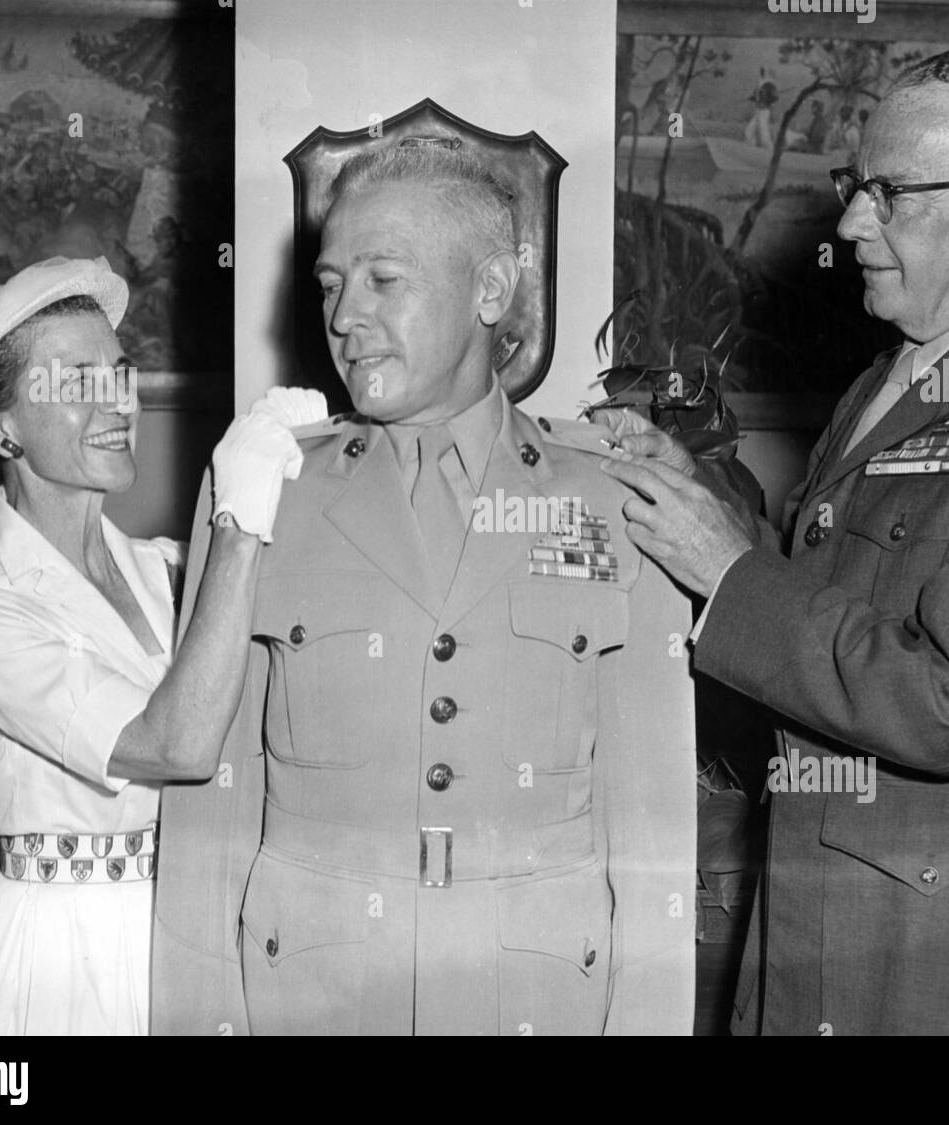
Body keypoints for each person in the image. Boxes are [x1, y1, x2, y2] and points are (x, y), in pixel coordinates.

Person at [601, 47, 949, 1035]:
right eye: (853, 186)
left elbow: (944, 700)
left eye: (890, 192)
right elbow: (829, 608)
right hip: (816, 921)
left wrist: (725, 572)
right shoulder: (892, 378)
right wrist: (686, 494)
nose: (851, 221)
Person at [151, 144, 698, 1035]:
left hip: (540, 1000)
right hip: (311, 1003)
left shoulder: (610, 495)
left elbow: (653, 832)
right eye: (331, 285)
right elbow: (208, 811)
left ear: (489, 293)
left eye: (383, 279)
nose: (345, 317)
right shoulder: (263, 487)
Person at [0, 256, 321, 1035]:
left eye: (121, 370)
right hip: (58, 959)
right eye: (75, 380)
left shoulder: (166, 567)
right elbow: (175, 745)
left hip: (185, 926)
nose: (118, 400)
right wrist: (237, 525)